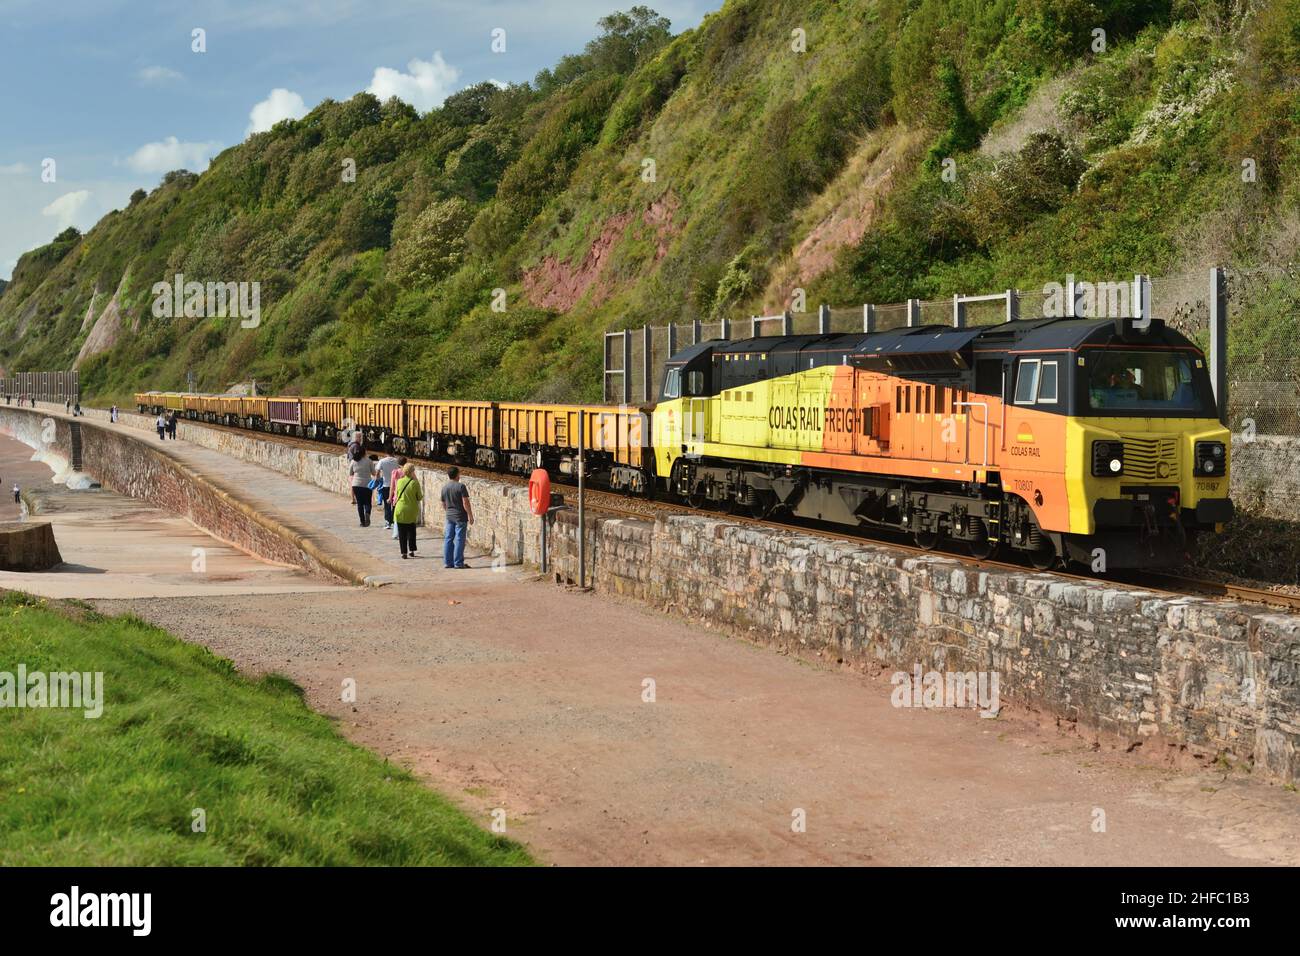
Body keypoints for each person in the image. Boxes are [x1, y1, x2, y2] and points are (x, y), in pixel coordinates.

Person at [440, 466, 473, 569]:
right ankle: (458, 563)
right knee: (459, 539)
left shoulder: (444, 487)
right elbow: (465, 502)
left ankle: (447, 562)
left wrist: (448, 511)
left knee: (448, 538)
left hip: (449, 516)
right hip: (460, 516)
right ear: (457, 475)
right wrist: (470, 515)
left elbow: (443, 503)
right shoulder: (461, 487)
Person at [392, 463, 423, 559]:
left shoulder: (400, 481)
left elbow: (396, 493)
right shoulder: (415, 483)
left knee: (402, 533)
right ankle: (411, 550)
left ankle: (403, 553)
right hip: (411, 510)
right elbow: (419, 497)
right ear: (412, 472)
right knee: (411, 531)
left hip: (400, 509)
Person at [348, 447, 376, 527]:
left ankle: (362, 522)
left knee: (360, 503)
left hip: (356, 484)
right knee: (367, 502)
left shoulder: (353, 461)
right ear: (364, 453)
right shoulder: (369, 461)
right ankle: (367, 513)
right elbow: (373, 473)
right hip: (367, 484)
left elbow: (350, 473)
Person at [375, 451, 401, 530]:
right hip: (395, 486)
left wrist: (378, 479)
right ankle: (393, 521)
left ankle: (387, 522)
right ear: (393, 452)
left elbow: (377, 472)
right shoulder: (396, 461)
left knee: (387, 505)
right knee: (394, 504)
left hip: (386, 485)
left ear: (386, 452)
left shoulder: (382, 461)